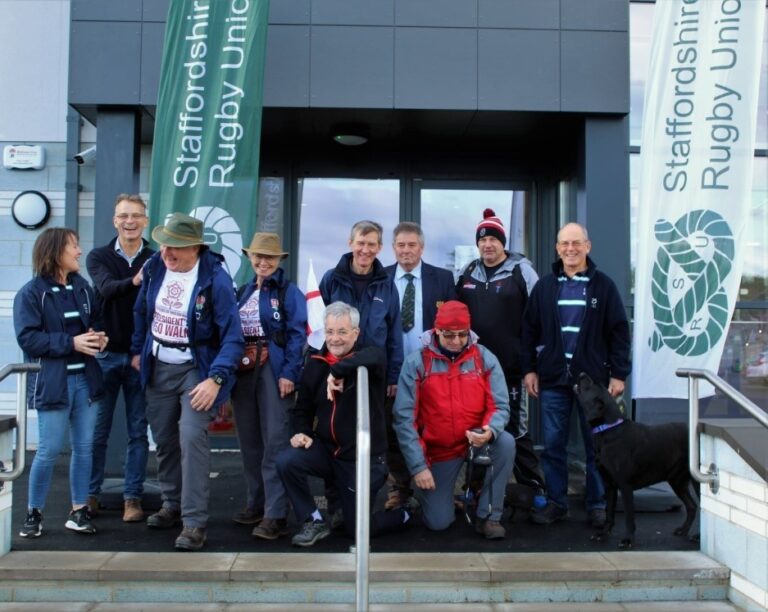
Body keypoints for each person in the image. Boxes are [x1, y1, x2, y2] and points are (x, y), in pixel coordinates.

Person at [131, 212, 243, 551]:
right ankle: (172, 502)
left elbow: (233, 337)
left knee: (192, 436)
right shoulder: (154, 267)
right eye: (165, 245)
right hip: (157, 364)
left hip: (197, 368)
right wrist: (138, 349)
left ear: (195, 247)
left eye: (175, 247)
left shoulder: (216, 280)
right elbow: (141, 311)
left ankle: (194, 522)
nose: (167, 253)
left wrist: (216, 378)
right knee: (164, 439)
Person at [522, 222, 631, 527]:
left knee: (597, 446)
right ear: (557, 249)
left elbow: (619, 333)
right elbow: (529, 331)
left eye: (576, 243)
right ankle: (557, 503)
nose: (570, 249)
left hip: (593, 382)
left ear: (588, 246)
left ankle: (597, 503)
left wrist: (619, 374)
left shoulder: (603, 286)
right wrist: (530, 369)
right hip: (553, 380)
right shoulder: (544, 287)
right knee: (554, 445)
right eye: (564, 244)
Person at [275, 302, 409, 547]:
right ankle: (313, 520)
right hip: (328, 451)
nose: (334, 339)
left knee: (356, 529)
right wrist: (301, 433)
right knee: (286, 461)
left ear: (356, 333)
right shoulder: (315, 362)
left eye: (342, 332)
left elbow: (375, 356)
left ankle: (404, 514)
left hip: (361, 458)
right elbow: (302, 409)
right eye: (330, 332)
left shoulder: (371, 357)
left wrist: (336, 371)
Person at [14, 227, 108, 537]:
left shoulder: (82, 287)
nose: (79, 252)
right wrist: (72, 344)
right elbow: (28, 339)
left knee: (84, 449)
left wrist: (99, 337)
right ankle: (34, 512)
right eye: (74, 247)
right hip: (55, 384)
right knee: (49, 450)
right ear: (56, 252)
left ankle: (78, 511)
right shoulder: (31, 293)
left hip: (86, 381)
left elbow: (95, 321)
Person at [393, 300, 515, 539]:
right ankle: (427, 493)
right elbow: (404, 419)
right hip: (439, 451)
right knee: (438, 523)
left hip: (476, 442)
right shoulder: (417, 362)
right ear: (436, 331)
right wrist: (418, 467)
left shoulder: (484, 358)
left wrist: (489, 430)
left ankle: (489, 515)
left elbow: (499, 405)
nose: (457, 341)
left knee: (505, 442)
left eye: (462, 334)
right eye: (449, 335)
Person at [456, 208, 546, 505]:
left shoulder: (522, 271)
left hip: (512, 370)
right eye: (483, 240)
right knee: (479, 427)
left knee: (514, 429)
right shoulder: (468, 273)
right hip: (474, 371)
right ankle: (475, 488)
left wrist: (536, 360)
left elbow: (542, 316)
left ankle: (535, 489)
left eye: (494, 239)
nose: (488, 245)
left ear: (502, 242)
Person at [231, 232, 307, 539]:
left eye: (270, 257)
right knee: (250, 441)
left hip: (273, 369)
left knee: (275, 441)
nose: (264, 262)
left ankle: (276, 513)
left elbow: (297, 335)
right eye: (258, 256)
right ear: (250, 257)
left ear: (279, 260)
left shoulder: (289, 292)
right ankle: (257, 502)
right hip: (243, 368)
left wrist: (289, 372)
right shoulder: (241, 291)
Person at [86, 193, 154, 523]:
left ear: (146, 221)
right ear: (115, 221)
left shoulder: (156, 257)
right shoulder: (98, 257)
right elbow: (107, 288)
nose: (129, 221)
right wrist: (137, 279)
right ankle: (90, 495)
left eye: (136, 215)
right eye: (123, 216)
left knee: (138, 432)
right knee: (96, 431)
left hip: (139, 359)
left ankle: (132, 498)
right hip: (105, 357)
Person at [383, 221, 455, 509]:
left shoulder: (443, 279)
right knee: (395, 431)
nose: (406, 250)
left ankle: (436, 487)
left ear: (421, 247)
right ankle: (400, 488)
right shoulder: (382, 278)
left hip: (433, 370)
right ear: (393, 248)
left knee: (434, 430)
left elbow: (454, 328)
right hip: (395, 373)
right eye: (401, 245)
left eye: (412, 244)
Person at [319, 220, 403, 395]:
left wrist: (393, 377)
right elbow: (318, 327)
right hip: (336, 370)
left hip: (374, 373)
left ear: (379, 247)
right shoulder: (331, 279)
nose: (365, 250)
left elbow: (394, 334)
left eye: (371, 244)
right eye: (360, 243)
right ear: (350, 243)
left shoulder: (387, 285)